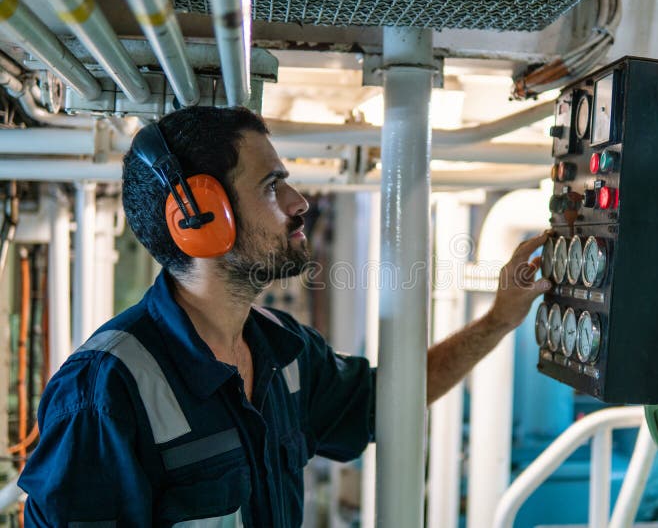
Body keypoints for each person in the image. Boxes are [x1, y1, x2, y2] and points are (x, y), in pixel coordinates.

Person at [18, 106, 552, 527]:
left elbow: (386, 402)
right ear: (200, 217)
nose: (299, 202)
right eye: (272, 186)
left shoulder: (284, 349)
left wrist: (498, 320)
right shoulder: (104, 392)